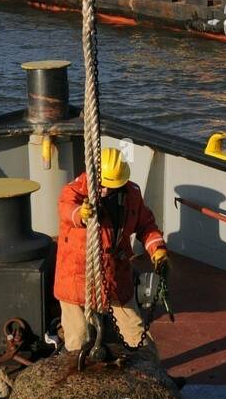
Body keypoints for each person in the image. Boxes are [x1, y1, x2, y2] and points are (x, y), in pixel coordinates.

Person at [54, 147, 169, 353]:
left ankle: (153, 373)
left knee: (136, 333)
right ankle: (78, 378)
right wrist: (81, 213)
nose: (106, 190)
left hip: (116, 276)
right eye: (103, 185)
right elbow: (66, 210)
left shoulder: (131, 195)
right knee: (77, 337)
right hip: (77, 278)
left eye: (112, 186)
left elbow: (146, 225)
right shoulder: (74, 191)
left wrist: (157, 249)